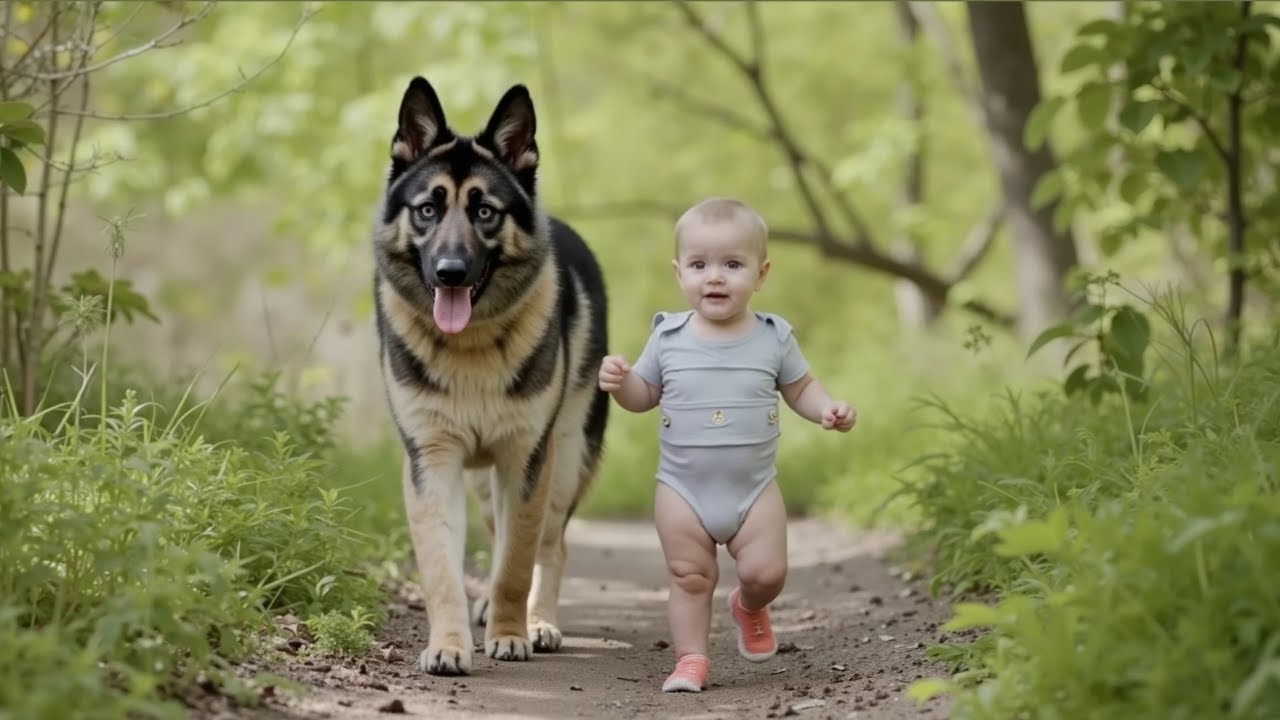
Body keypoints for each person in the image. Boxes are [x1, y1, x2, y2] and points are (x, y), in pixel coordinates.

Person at [597, 196, 857, 693]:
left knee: (767, 572)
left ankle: (750, 605)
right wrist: (620, 382)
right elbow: (644, 397)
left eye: (732, 265)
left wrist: (826, 408)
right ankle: (691, 659)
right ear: (679, 273)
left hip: (753, 488)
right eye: (699, 265)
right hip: (682, 488)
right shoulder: (668, 337)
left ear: (761, 274)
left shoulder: (772, 337)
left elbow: (800, 389)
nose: (714, 277)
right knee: (689, 577)